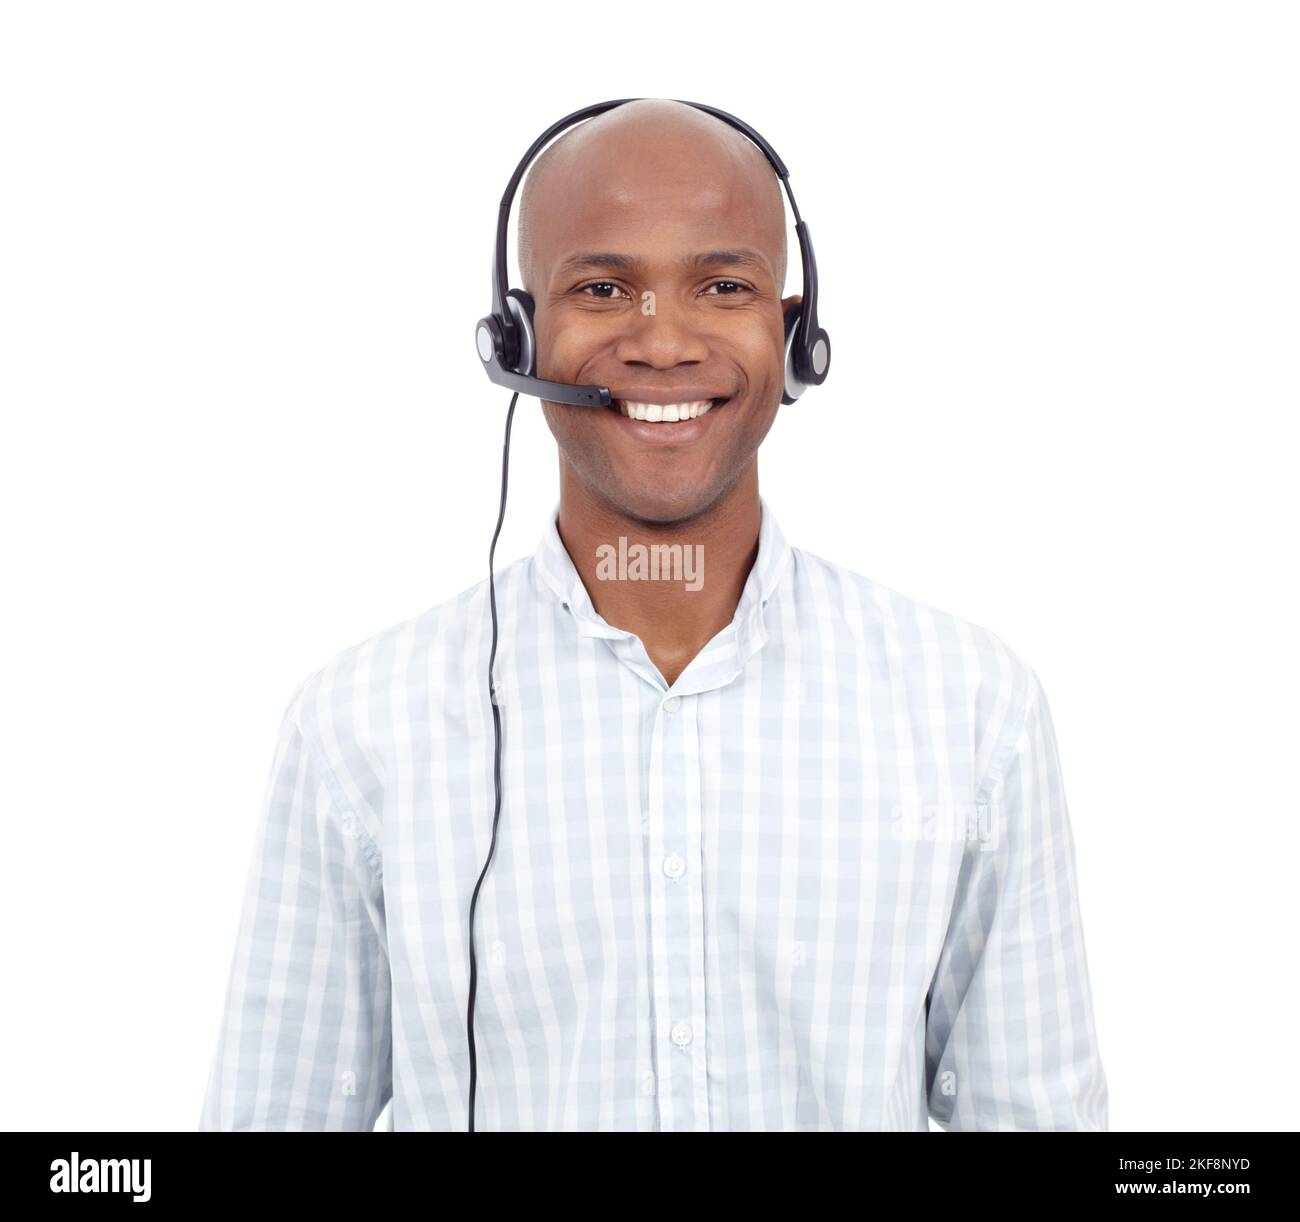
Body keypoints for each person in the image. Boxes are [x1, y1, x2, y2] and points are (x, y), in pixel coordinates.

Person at [199, 99, 1108, 1131]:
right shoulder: (361, 725)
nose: (663, 341)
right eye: (602, 287)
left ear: (794, 328)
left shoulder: (971, 709)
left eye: (722, 285)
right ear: (518, 331)